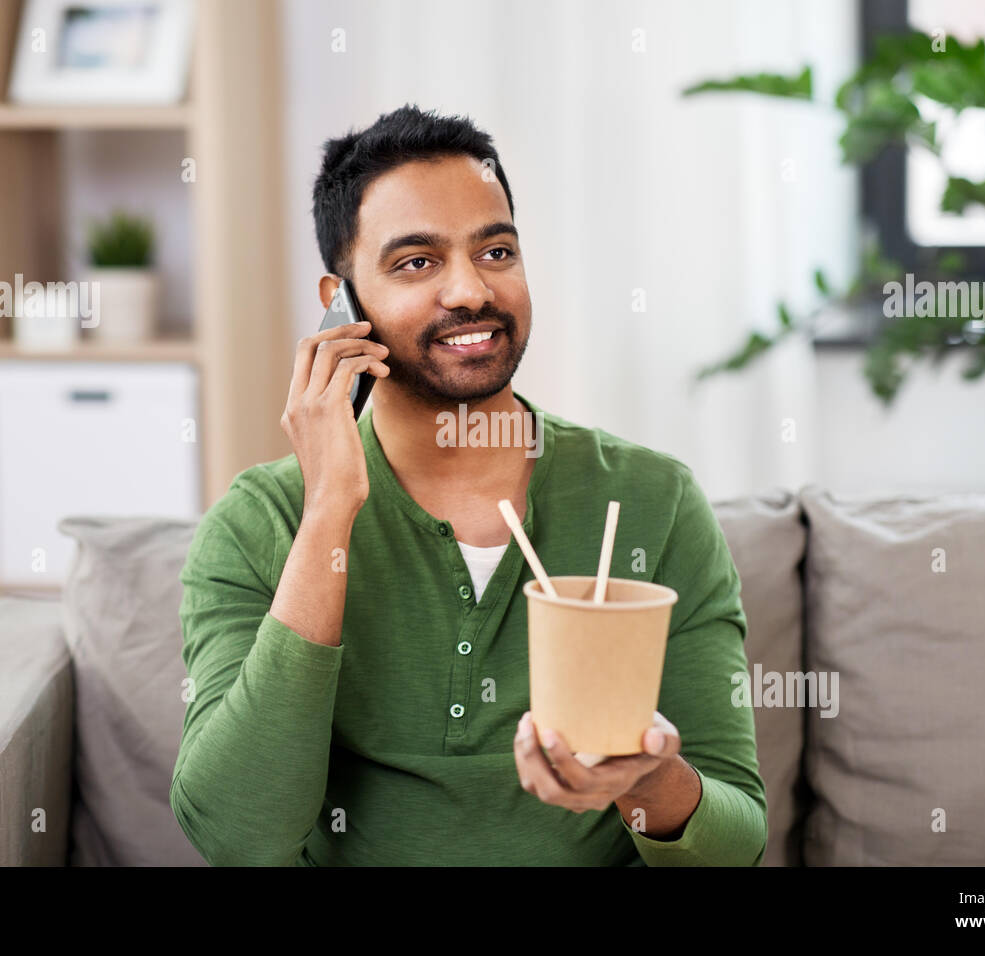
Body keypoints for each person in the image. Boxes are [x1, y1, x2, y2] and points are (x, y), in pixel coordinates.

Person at [169, 104, 767, 866]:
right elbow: (233, 835)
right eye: (416, 262)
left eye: (495, 251)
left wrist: (649, 781)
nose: (470, 291)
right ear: (341, 303)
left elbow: (735, 848)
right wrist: (329, 513)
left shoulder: (653, 501)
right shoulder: (259, 523)